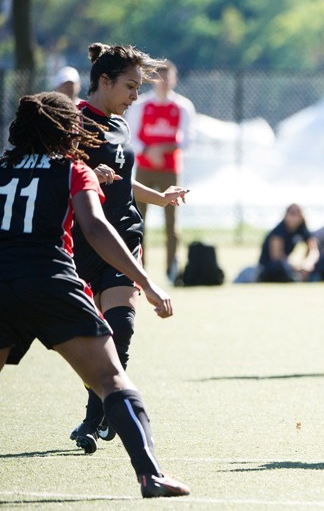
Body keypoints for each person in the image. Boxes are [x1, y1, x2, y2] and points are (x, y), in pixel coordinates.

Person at [0, 91, 189, 498]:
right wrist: (148, 283)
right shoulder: (73, 170)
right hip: (51, 282)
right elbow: (98, 229)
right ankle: (150, 475)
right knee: (112, 380)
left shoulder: (1, 168)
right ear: (67, 129)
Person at [68, 43, 189, 454]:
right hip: (83, 243)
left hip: (123, 238)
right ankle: (99, 408)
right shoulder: (73, 122)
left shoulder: (119, 124)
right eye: (130, 86)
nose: (135, 96)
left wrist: (161, 197)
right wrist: (84, 172)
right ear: (104, 81)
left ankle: (95, 416)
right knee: (90, 339)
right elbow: (57, 176)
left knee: (121, 328)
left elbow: (122, 180)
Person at [126, 60, 196, 282]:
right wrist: (148, 151)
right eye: (159, 76)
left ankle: (171, 271)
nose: (164, 82)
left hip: (170, 171)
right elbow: (131, 136)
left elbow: (187, 139)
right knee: (138, 220)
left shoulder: (182, 107)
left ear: (174, 79)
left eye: (168, 77)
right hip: (144, 170)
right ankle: (139, 269)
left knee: (171, 224)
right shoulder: (141, 105)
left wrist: (162, 149)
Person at [257, 203, 319, 282]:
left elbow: (313, 249)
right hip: (270, 266)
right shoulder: (279, 231)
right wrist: (295, 268)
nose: (294, 217)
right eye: (292, 213)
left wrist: (307, 263)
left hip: (287, 265)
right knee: (279, 268)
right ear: (286, 215)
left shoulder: (302, 229)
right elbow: (277, 256)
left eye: (297, 213)